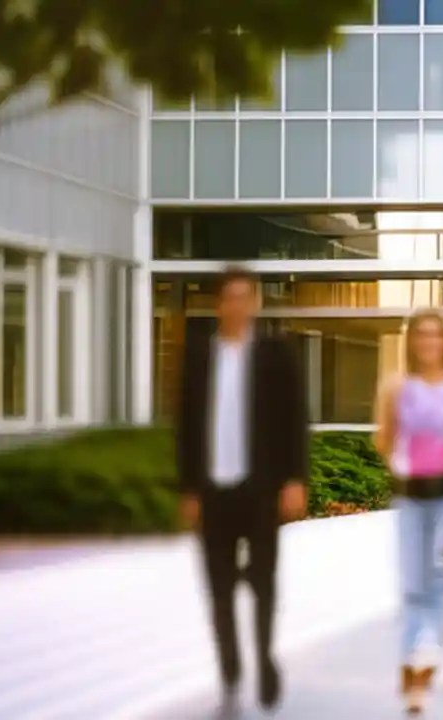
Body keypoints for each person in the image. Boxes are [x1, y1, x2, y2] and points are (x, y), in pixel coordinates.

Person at [174, 267, 309, 712]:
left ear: (255, 302)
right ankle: (230, 666)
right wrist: (188, 488)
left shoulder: (277, 355)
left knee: (264, 581)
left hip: (261, 489)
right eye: (227, 298)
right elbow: (186, 428)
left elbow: (295, 421)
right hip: (213, 490)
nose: (235, 305)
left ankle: (265, 658)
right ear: (218, 305)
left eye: (242, 297)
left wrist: (295, 480)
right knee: (218, 586)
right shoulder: (198, 357)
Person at [373, 310, 443, 715]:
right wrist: (409, 457)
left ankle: (426, 655)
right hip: (411, 496)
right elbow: (384, 438)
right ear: (411, 341)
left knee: (442, 578)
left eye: (436, 335)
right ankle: (413, 665)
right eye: (422, 335)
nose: (429, 342)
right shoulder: (397, 387)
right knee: (413, 583)